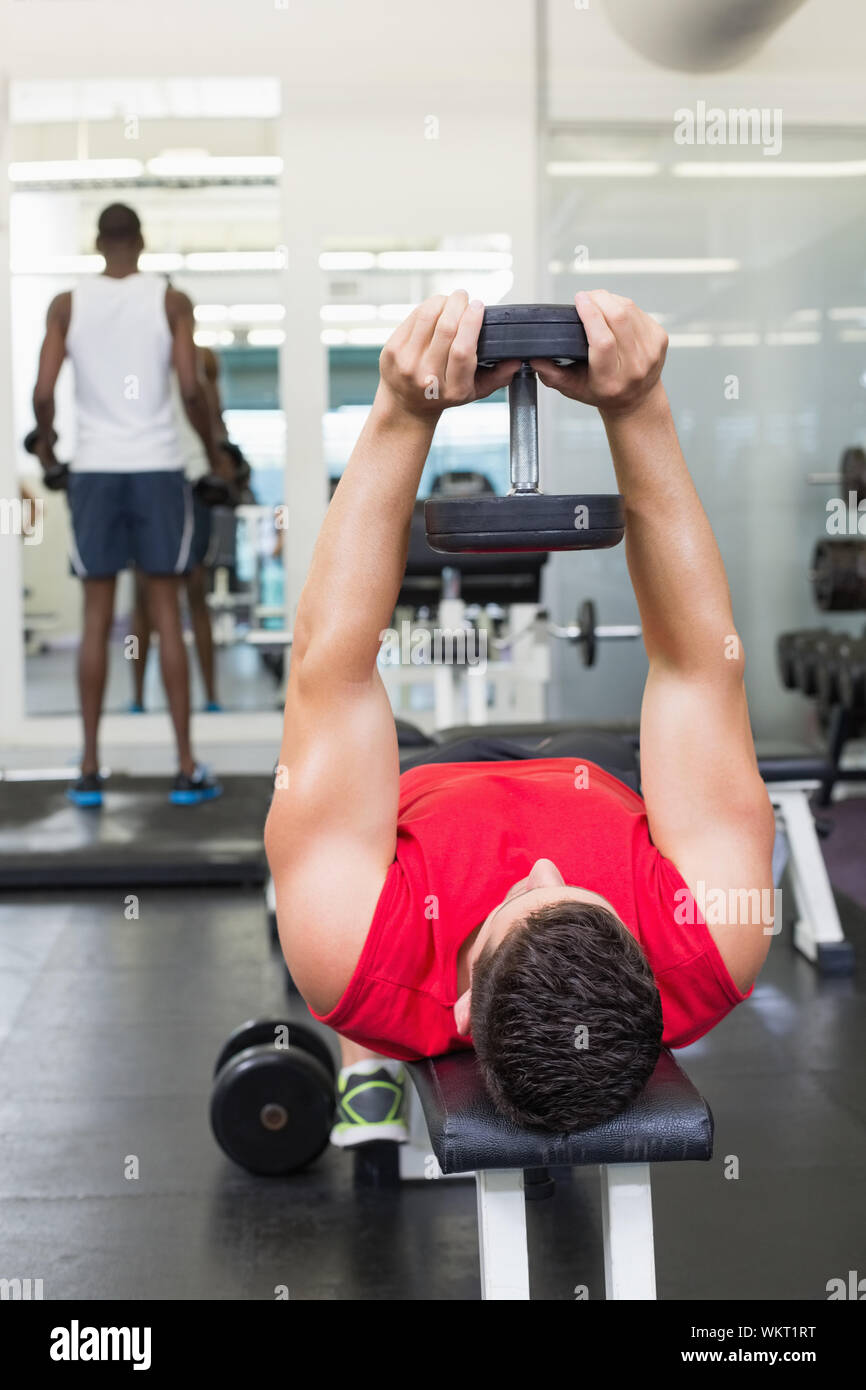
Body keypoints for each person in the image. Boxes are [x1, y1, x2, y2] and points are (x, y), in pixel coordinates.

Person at [264, 290, 776, 1141]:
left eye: (524, 899)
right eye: (578, 896)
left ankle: (369, 1056)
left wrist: (401, 413)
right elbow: (698, 666)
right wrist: (639, 408)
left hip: (423, 797)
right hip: (589, 773)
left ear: (464, 1009)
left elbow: (332, 662)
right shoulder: (709, 940)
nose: (540, 865)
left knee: (335, 882)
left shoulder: (347, 948)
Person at [30, 202, 223, 807]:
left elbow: (42, 392)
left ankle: (89, 768)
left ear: (97, 243)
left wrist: (50, 453)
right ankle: (186, 766)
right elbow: (191, 386)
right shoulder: (170, 299)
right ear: (139, 243)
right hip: (158, 469)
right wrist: (217, 454)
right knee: (166, 614)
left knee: (96, 616)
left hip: (94, 472)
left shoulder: (68, 304)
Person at [131, 344, 228, 714]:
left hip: (188, 478)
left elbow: (214, 414)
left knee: (190, 591)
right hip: (156, 477)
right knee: (150, 597)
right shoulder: (139, 358)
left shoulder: (203, 359)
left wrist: (218, 461)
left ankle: (210, 696)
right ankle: (139, 698)